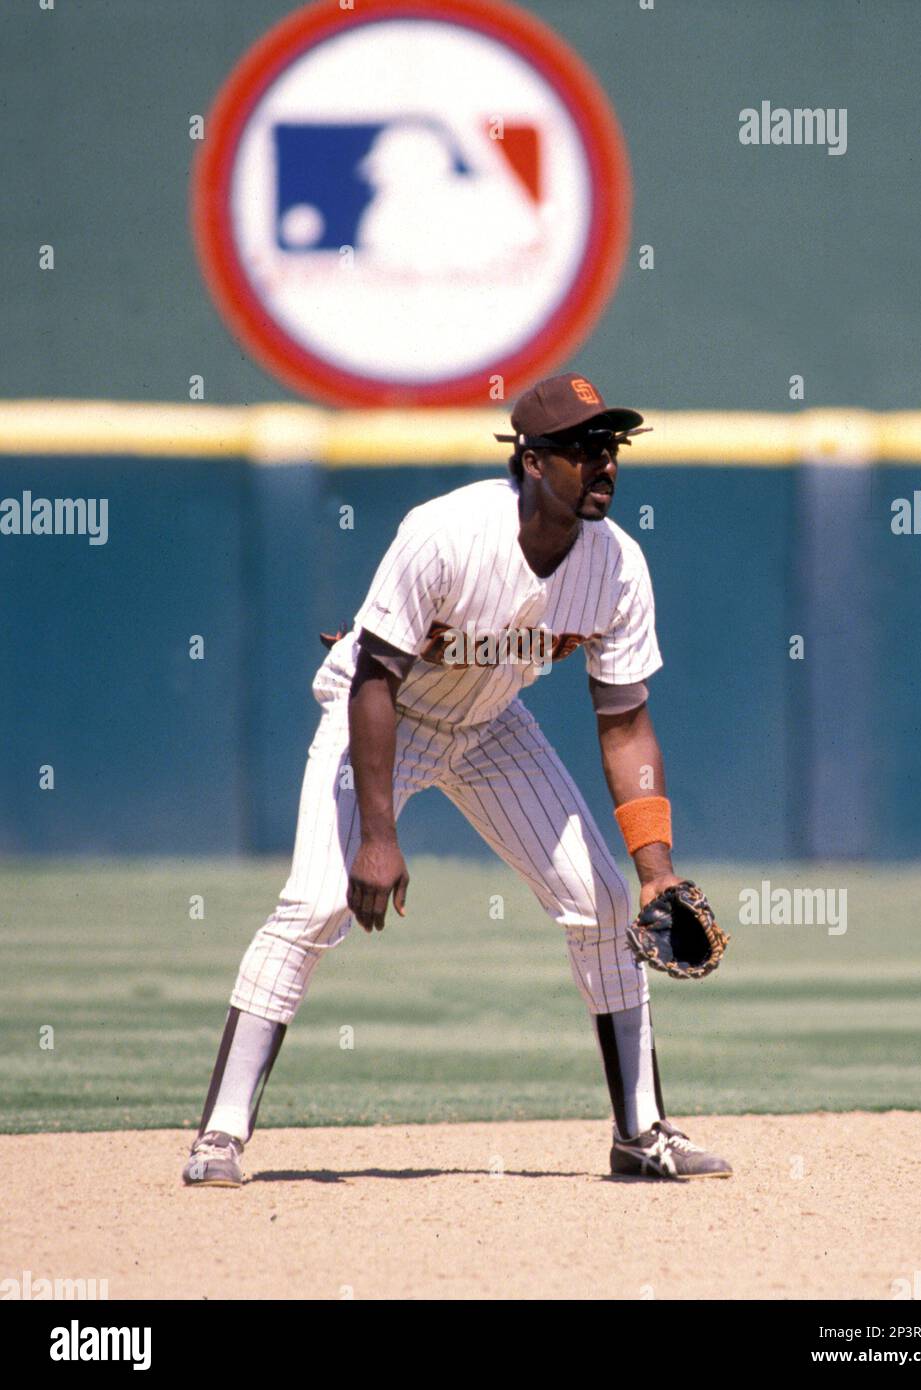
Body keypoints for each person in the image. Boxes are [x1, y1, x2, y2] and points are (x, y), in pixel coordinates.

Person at [182, 372, 732, 1188]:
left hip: (490, 727)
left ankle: (640, 1132)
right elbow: (372, 677)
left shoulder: (617, 566)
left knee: (607, 902)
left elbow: (622, 719)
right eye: (584, 450)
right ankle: (219, 1138)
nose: (604, 464)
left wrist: (656, 868)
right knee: (316, 903)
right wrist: (378, 836)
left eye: (610, 448)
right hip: (386, 714)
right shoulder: (446, 534)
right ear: (534, 463)